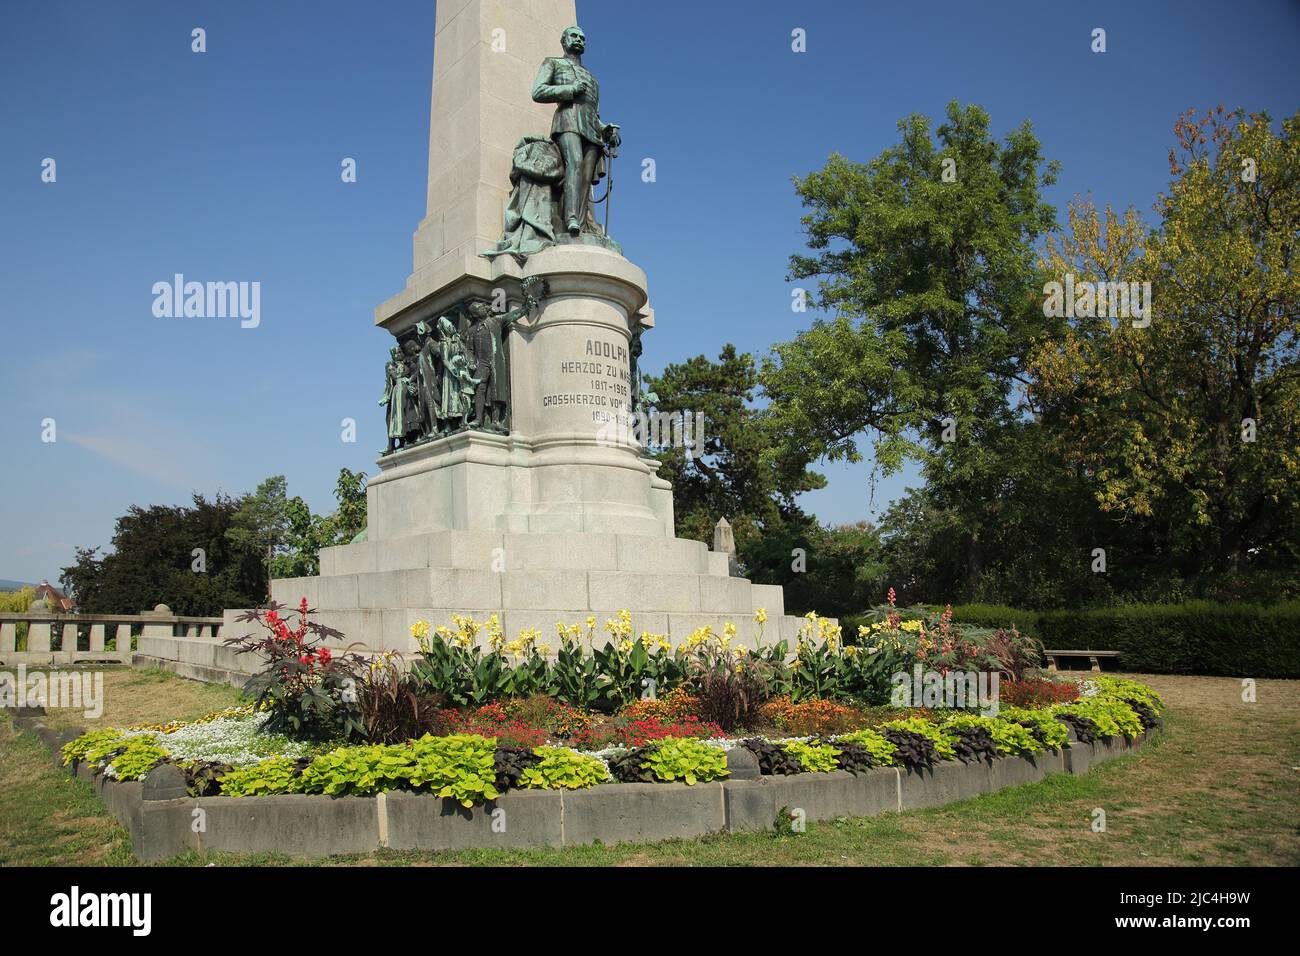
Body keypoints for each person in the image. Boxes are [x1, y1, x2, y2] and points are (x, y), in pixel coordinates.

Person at [531, 25, 620, 236]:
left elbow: (593, 113)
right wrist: (569, 90)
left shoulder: (592, 78)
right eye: (574, 36)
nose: (579, 39)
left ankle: (580, 223)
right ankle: (570, 217)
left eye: (582, 37)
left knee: (586, 179)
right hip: (567, 121)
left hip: (590, 129)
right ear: (564, 41)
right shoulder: (553, 63)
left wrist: (605, 129)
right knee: (575, 163)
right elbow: (538, 91)